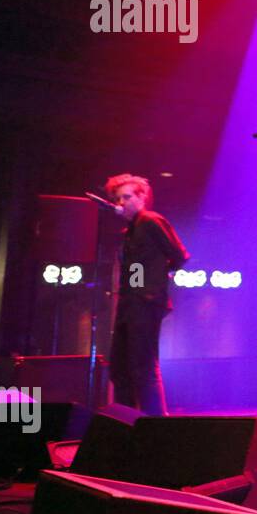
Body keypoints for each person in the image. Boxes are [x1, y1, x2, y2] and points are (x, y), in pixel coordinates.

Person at [106, 173, 188, 415]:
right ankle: (126, 421)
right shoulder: (129, 231)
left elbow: (180, 255)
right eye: (118, 198)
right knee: (120, 367)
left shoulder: (151, 220)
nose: (121, 202)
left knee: (143, 366)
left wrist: (156, 278)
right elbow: (135, 270)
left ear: (142, 197)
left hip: (146, 302)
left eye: (127, 196)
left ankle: (155, 424)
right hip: (129, 303)